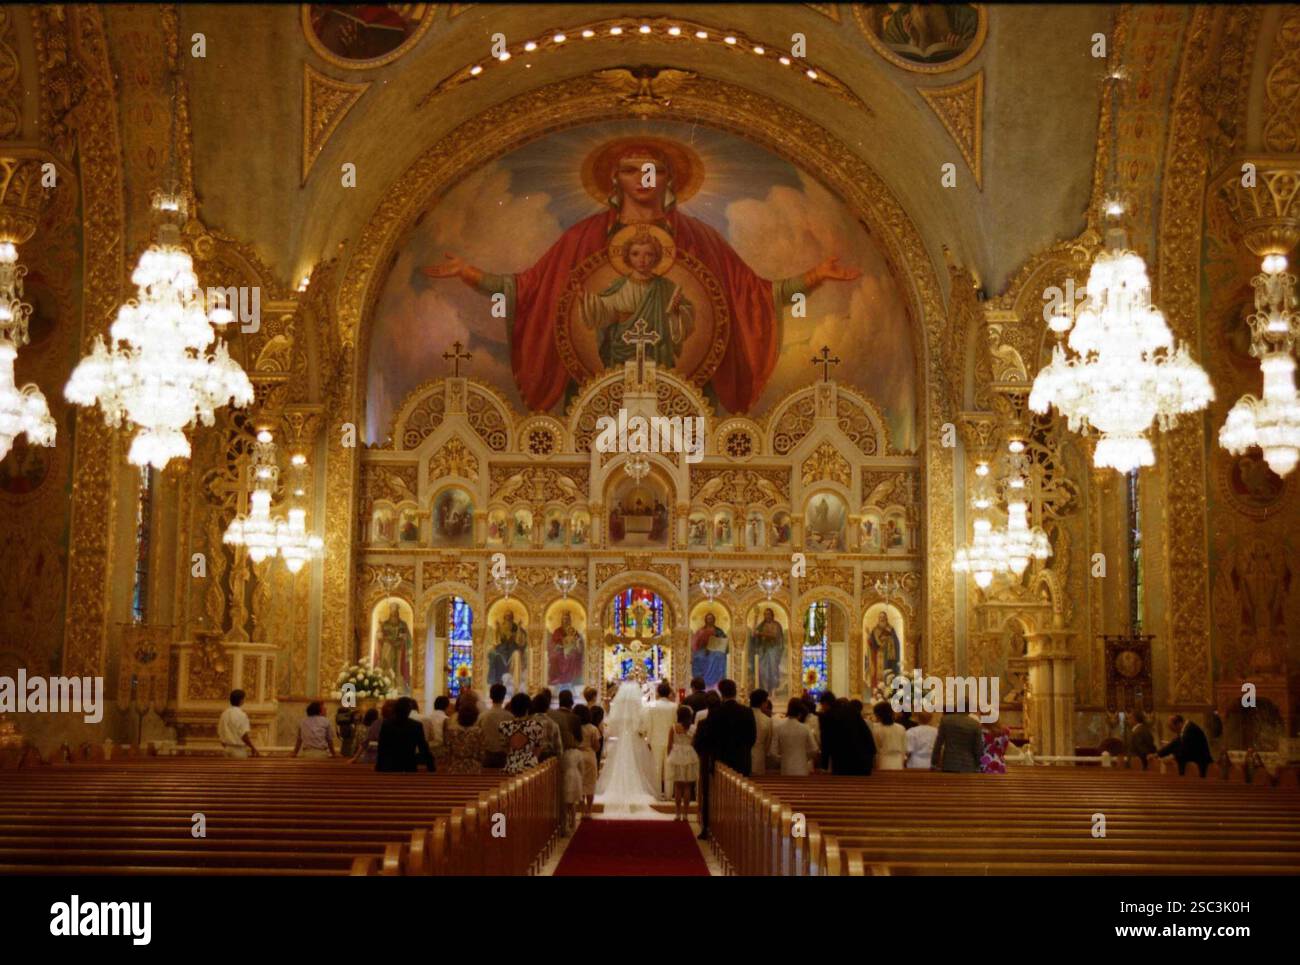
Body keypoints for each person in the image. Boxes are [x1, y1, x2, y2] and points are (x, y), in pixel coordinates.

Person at [593, 681, 665, 818]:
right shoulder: (640, 709)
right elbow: (642, 727)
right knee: (638, 764)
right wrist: (642, 733)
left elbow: (612, 727)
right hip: (635, 740)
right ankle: (638, 789)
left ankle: (618, 789)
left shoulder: (619, 711)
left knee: (620, 764)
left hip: (622, 742)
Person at [692, 690, 723, 839]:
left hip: (707, 761)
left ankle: (707, 828)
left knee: (707, 795)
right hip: (723, 761)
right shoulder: (725, 722)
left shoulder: (704, 723)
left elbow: (697, 744)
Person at [376, 697, 435, 772]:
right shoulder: (416, 726)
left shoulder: (387, 725)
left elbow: (382, 748)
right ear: (408, 710)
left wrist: (379, 767)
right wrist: (431, 767)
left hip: (390, 766)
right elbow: (423, 747)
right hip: (409, 765)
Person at [822, 699, 875, 775]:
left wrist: (824, 765)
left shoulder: (832, 718)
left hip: (840, 762)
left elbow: (826, 743)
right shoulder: (855, 716)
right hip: (860, 763)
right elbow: (868, 740)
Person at [666, 705, 700, 821]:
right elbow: (694, 743)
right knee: (687, 786)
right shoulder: (693, 728)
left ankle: (677, 813)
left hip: (676, 755)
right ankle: (685, 814)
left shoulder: (674, 727)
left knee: (677, 786)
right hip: (689, 755)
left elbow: (669, 744)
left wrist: (669, 756)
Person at [643, 681, 678, 797]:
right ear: (669, 693)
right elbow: (675, 724)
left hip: (655, 740)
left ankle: (657, 793)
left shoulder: (652, 706)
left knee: (657, 767)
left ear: (657, 693)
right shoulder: (674, 706)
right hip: (670, 741)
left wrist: (648, 740)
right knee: (669, 768)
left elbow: (649, 724)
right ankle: (669, 794)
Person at [771, 697, 819, 775]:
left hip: (785, 768)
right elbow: (815, 749)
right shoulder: (805, 728)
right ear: (800, 713)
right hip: (802, 768)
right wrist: (805, 757)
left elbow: (772, 752)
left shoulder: (779, 728)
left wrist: (782, 760)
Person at [500, 692, 545, 774]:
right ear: (528, 708)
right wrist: (529, 758)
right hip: (530, 768)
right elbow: (538, 748)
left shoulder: (504, 726)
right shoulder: (536, 726)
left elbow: (504, 747)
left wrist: (515, 755)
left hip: (511, 766)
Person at [930, 706, 984, 773]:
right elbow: (978, 747)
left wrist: (934, 762)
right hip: (968, 765)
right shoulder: (975, 724)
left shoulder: (946, 720)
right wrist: (978, 764)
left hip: (949, 763)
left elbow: (938, 743)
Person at [444, 702, 485, 774]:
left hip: (455, 768)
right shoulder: (478, 732)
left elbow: (448, 753)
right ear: (474, 717)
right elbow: (481, 754)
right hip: (474, 769)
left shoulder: (451, 731)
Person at [574, 703, 600, 817]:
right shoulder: (592, 728)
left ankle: (582, 807)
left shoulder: (574, 728)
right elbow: (596, 746)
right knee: (590, 783)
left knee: (580, 783)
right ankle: (589, 810)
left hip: (577, 755)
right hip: (589, 755)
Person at [478, 683, 511, 768]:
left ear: (490, 696)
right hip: (504, 756)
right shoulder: (510, 716)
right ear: (504, 697)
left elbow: (478, 736)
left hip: (486, 756)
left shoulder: (483, 716)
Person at [217, 689, 257, 758]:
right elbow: (244, 735)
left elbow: (220, 732)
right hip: (238, 750)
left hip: (227, 748)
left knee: (227, 768)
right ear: (241, 701)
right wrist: (252, 747)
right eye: (244, 699)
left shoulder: (224, 714)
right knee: (239, 768)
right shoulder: (241, 715)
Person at [871, 700, 907, 770]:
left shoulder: (876, 729)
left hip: (883, 761)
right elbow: (904, 747)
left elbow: (876, 748)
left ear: (878, 715)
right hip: (898, 761)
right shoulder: (901, 728)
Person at [749, 688, 773, 776]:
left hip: (744, 756)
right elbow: (768, 741)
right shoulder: (767, 720)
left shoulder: (743, 715)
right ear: (763, 703)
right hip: (759, 755)